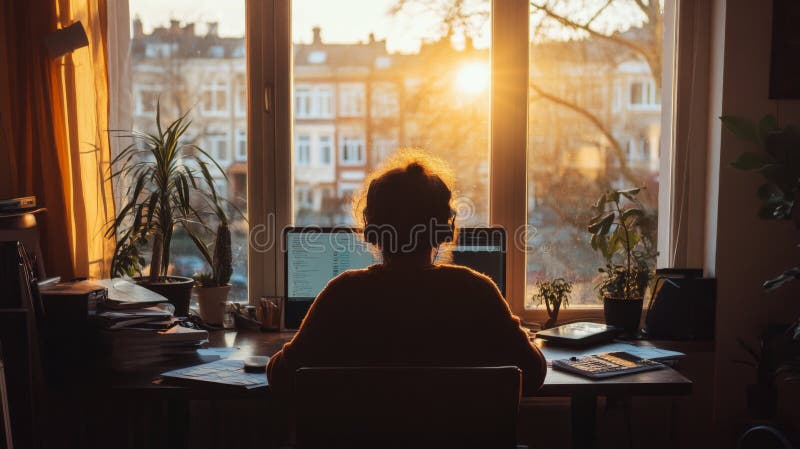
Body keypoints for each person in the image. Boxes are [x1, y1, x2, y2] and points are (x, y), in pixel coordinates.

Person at [267, 149, 547, 396]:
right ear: (445, 229)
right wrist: (515, 330)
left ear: (372, 230)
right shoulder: (478, 292)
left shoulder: (342, 294)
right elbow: (533, 373)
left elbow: (280, 377)